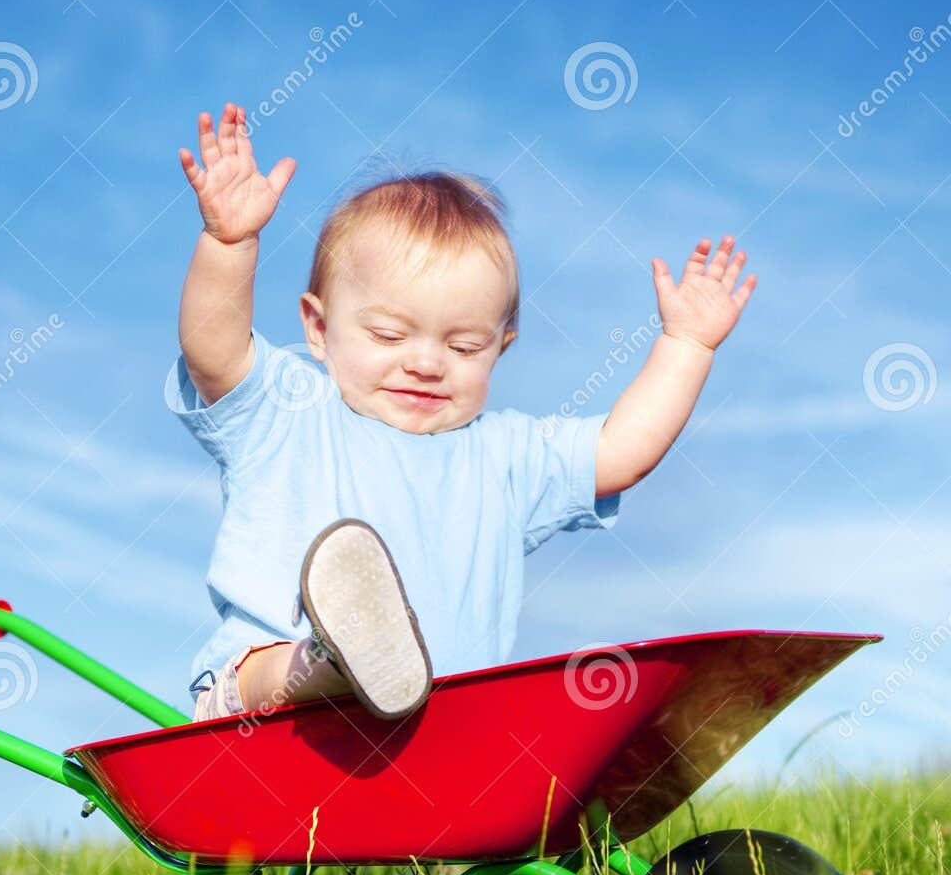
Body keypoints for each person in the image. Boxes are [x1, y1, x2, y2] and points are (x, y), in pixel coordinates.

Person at [169, 102, 756, 723]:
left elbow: (622, 451)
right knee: (271, 664)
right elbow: (214, 349)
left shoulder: (503, 457)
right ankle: (330, 659)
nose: (426, 363)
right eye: (390, 336)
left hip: (431, 734)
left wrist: (687, 346)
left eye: (463, 346)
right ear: (317, 328)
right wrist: (230, 243)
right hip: (264, 716)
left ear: (500, 348)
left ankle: (361, 665)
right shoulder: (290, 416)